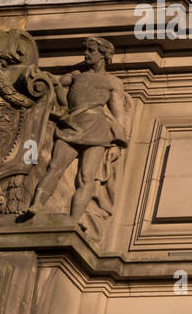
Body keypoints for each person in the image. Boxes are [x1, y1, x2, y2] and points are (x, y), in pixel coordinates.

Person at [24, 37, 129, 222]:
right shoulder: (75, 75)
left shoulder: (113, 83)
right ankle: (36, 203)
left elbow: (118, 115)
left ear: (103, 55)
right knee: (54, 167)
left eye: (91, 51)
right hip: (71, 126)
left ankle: (74, 219)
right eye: (86, 50)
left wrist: (116, 145)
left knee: (86, 177)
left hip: (97, 131)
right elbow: (51, 85)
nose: (86, 54)